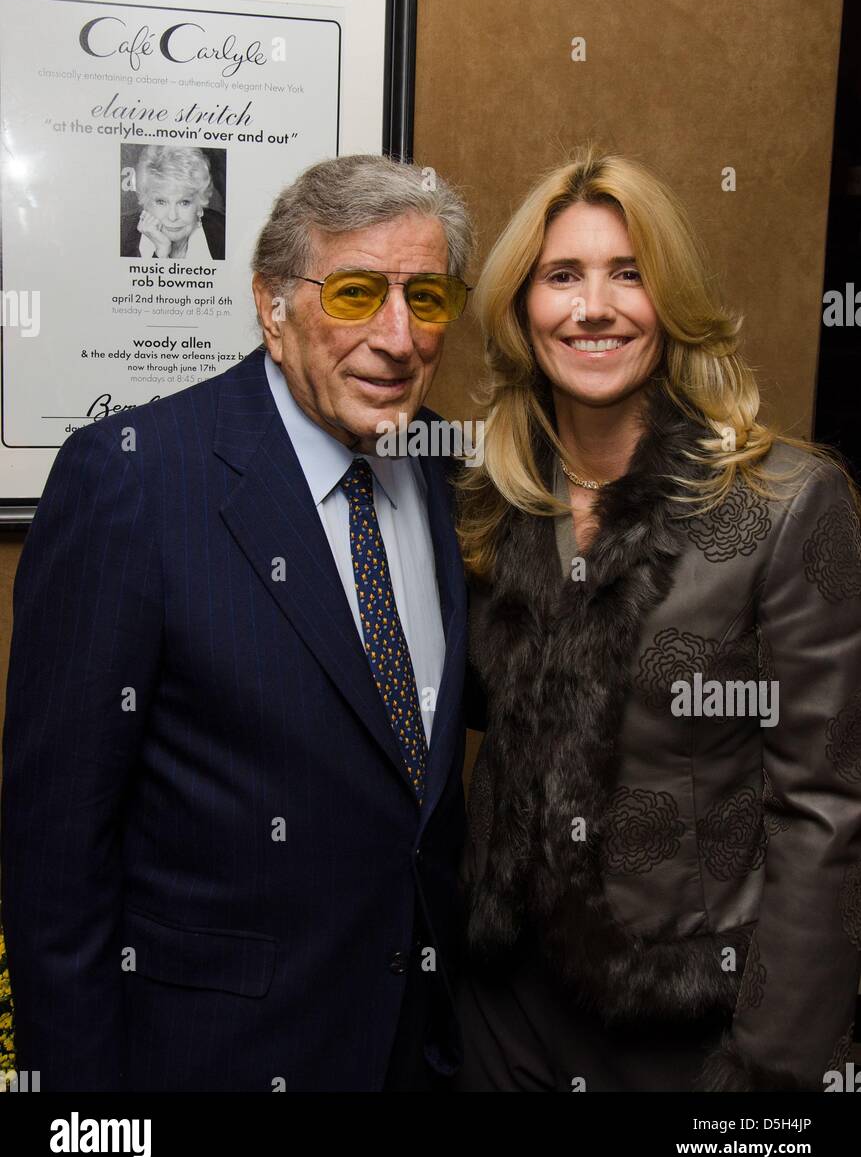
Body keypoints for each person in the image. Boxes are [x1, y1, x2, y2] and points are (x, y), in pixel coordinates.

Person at [1, 153, 474, 1092]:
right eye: (353, 294)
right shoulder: (133, 480)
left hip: (412, 1049)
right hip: (210, 1057)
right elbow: (55, 861)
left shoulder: (448, 474)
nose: (396, 336)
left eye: (426, 299)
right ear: (271, 305)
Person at [453, 143, 861, 1092]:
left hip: (684, 1020)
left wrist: (771, 1072)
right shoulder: (490, 499)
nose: (592, 307)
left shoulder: (786, 504)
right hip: (503, 1014)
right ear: (523, 309)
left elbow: (828, 811)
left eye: (626, 275)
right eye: (561, 276)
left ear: (669, 301)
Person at [120, 144, 225, 261]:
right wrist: (161, 252)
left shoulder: (223, 232)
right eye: (161, 202)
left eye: (184, 202)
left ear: (200, 206)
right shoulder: (122, 235)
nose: (172, 217)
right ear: (146, 203)